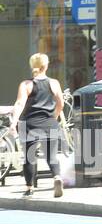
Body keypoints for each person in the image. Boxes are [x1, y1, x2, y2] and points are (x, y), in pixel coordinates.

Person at [13, 54, 67, 198]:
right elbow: (60, 104)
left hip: (29, 124)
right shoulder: (54, 83)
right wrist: (53, 118)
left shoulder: (26, 84)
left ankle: (29, 188)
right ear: (46, 65)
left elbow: (19, 104)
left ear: (33, 65)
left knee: (29, 157)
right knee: (51, 155)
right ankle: (57, 177)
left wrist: (14, 122)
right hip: (49, 122)